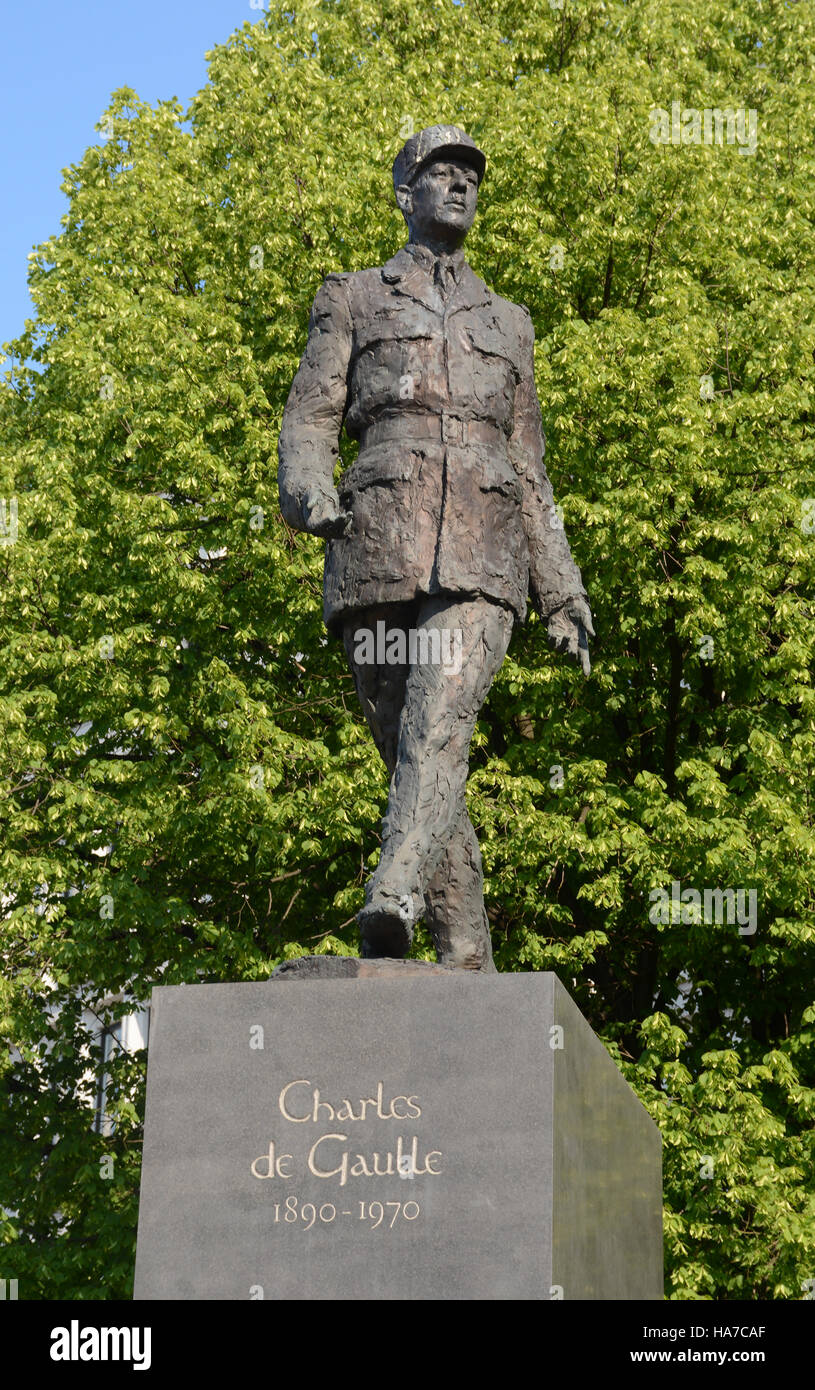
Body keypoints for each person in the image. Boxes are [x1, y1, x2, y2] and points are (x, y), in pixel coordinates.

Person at [278, 124, 594, 969]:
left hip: (485, 551)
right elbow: (311, 411)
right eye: (440, 173)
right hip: (375, 539)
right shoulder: (351, 295)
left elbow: (527, 462)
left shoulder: (510, 322)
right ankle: (466, 962)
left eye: (468, 177)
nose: (458, 186)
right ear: (403, 191)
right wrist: (306, 491)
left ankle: (393, 893)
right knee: (415, 753)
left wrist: (560, 591)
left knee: (438, 722)